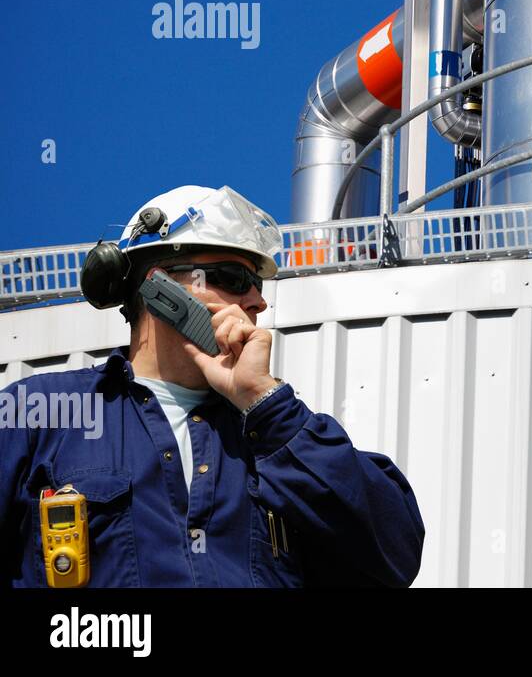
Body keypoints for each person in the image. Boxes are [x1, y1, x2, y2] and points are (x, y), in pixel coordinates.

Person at [0, 185, 424, 587]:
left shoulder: (278, 438)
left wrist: (266, 404)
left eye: (258, 286)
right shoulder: (39, 412)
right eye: (234, 279)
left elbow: (396, 554)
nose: (258, 301)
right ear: (160, 286)